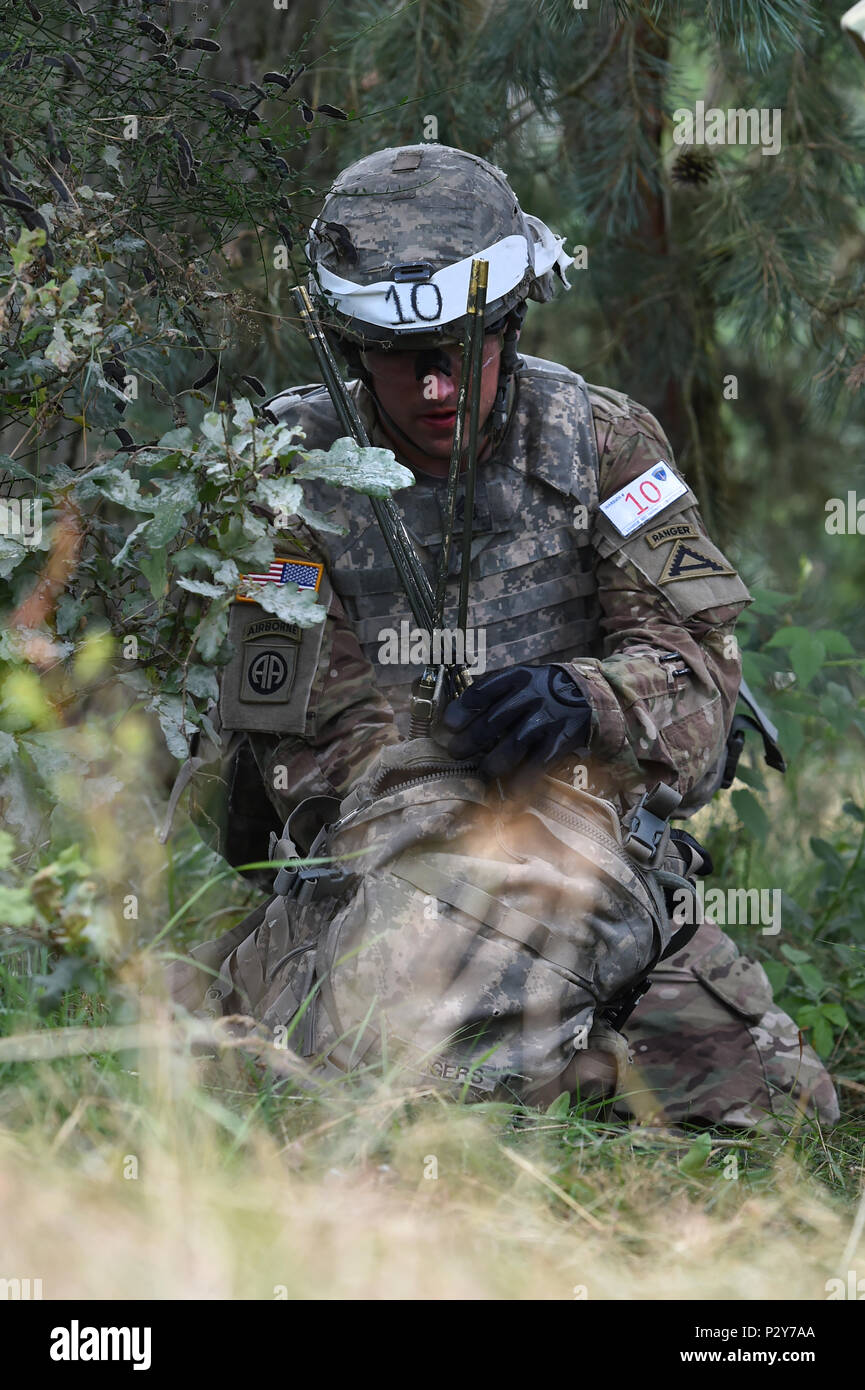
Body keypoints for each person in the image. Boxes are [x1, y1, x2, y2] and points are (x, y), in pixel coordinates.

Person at [184, 143, 838, 1129]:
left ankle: (556, 1060)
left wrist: (586, 701)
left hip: (593, 857)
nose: (436, 389)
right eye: (406, 360)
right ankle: (514, 1074)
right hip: (380, 868)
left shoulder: (600, 443)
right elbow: (293, 734)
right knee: (365, 1037)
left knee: (785, 1118)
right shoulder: (291, 476)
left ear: (513, 323)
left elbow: (701, 690)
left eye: (463, 350)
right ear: (356, 349)